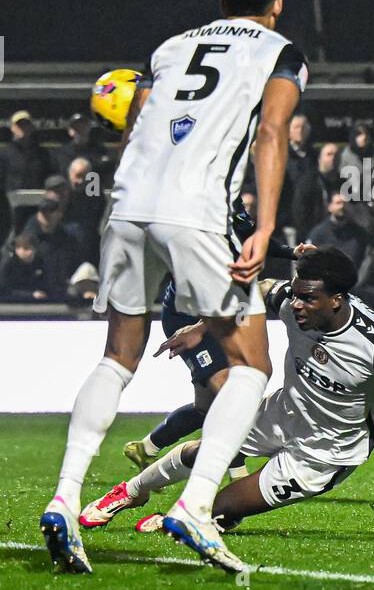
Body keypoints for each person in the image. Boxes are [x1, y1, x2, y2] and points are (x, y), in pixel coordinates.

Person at [42, 0, 306, 575]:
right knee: (250, 366)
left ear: (219, 1)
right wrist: (264, 227)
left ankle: (64, 495)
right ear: (277, 5)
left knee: (116, 358)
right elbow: (272, 133)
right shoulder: (279, 50)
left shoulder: (171, 47)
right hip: (195, 212)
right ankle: (194, 503)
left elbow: (144, 122)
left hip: (128, 208)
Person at [80, 247, 374, 562]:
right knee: (204, 452)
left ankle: (204, 516)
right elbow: (263, 290)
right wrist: (201, 329)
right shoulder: (294, 303)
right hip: (284, 411)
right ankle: (130, 492)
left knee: (222, 504)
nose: (296, 305)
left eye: (307, 299)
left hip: (326, 452)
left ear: (337, 300)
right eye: (295, 295)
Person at [116, 199, 304, 475]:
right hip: (187, 319)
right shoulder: (192, 215)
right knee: (230, 395)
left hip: (219, 313)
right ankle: (238, 476)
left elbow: (254, 239)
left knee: (206, 407)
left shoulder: (231, 200)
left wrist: (293, 253)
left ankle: (146, 448)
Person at [306, 191, 370, 269]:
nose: (342, 206)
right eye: (338, 203)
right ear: (330, 206)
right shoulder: (318, 233)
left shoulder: (359, 233)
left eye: (345, 203)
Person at [2, 111, 55, 191]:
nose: (23, 128)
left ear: (32, 127)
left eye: (26, 124)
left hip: (38, 197)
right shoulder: (3, 153)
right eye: (19, 125)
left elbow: (49, 176)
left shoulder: (42, 153)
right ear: (12, 128)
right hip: (11, 199)